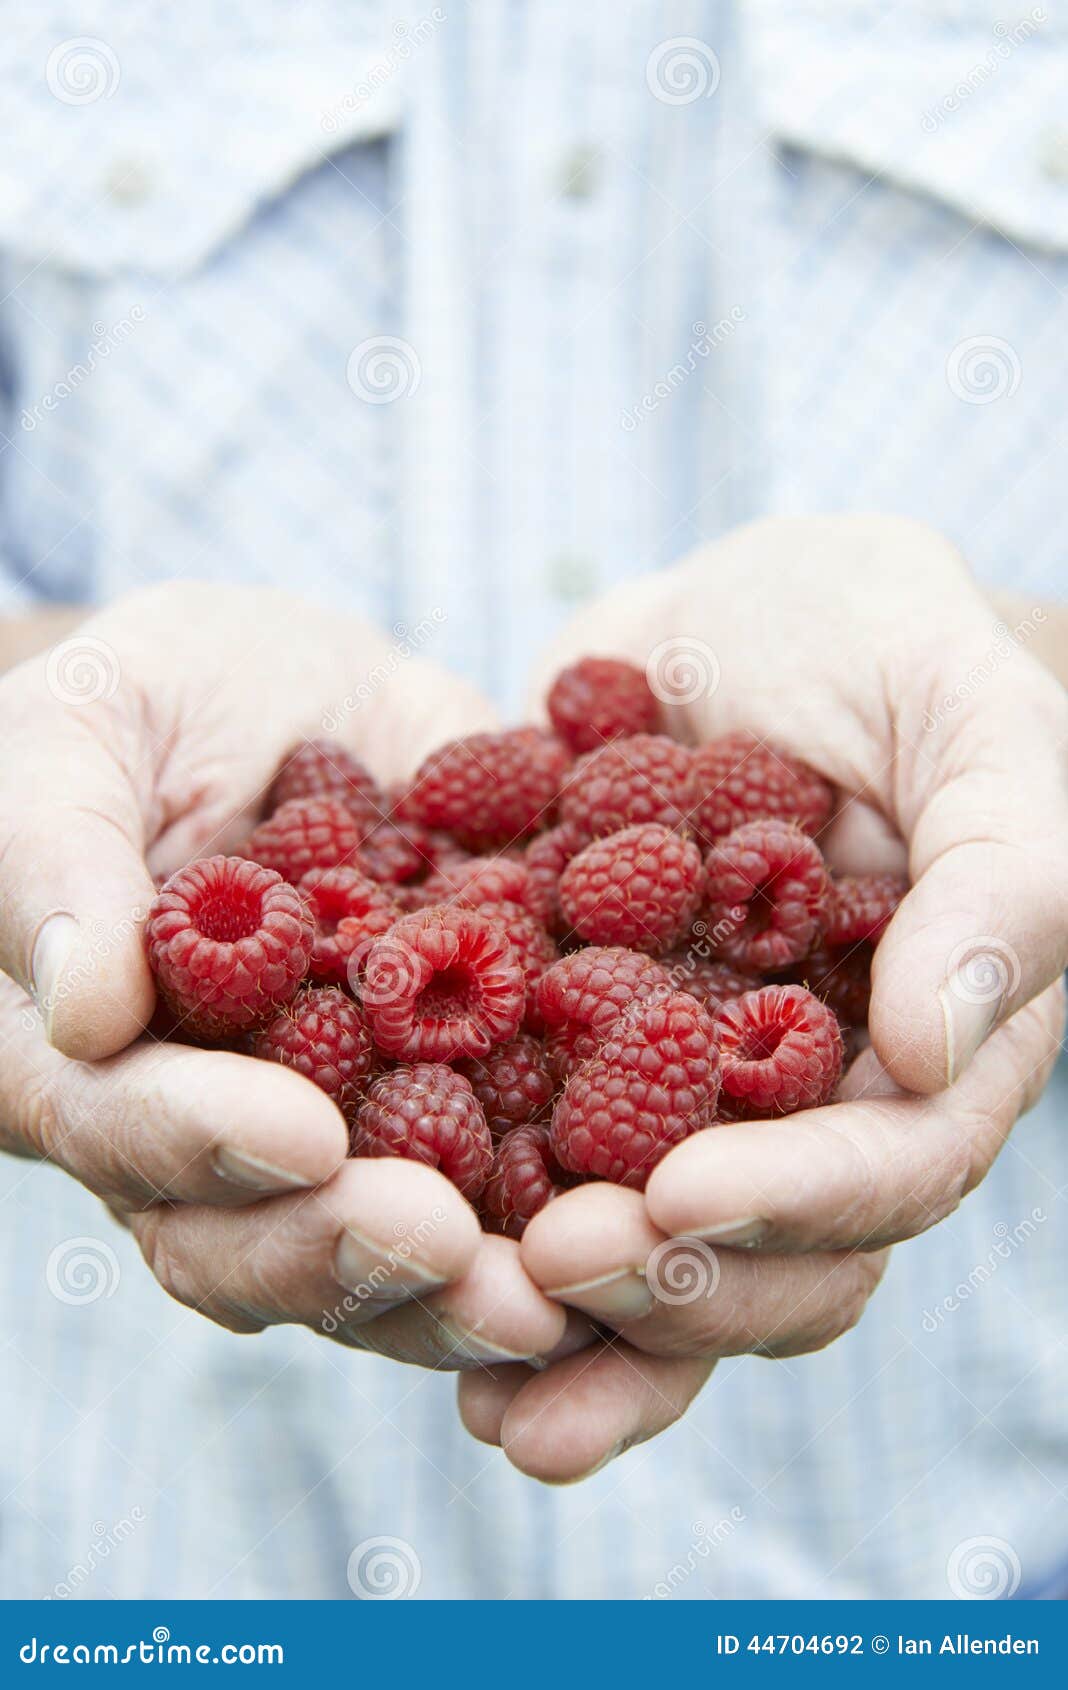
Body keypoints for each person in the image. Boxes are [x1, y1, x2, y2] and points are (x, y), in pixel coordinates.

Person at [0, 2, 1065, 1601]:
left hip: (944, 1567)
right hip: (170, 1566)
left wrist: (1015, 695)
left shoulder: (681, 924)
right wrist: (59, 732)